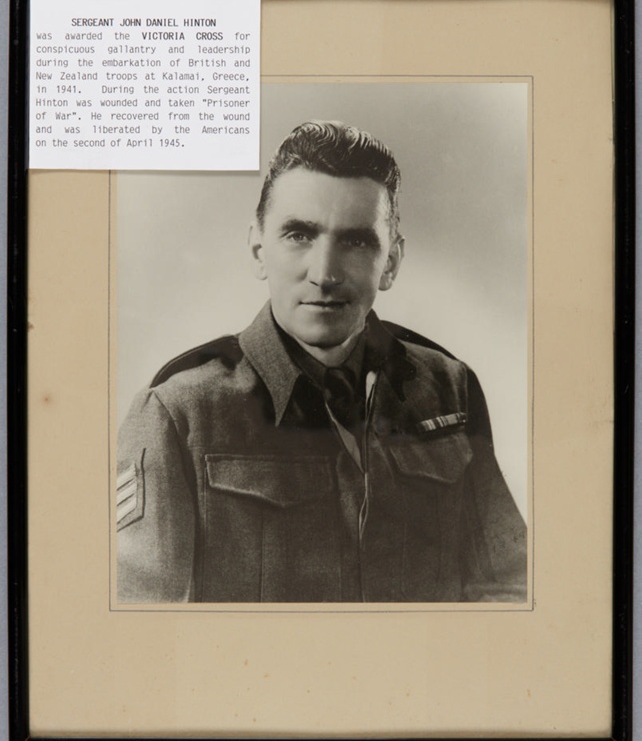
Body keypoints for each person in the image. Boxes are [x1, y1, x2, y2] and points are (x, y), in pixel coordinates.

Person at [116, 120, 527, 604]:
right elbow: (148, 634)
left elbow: (508, 587)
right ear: (258, 249)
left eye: (355, 241)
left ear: (390, 262)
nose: (325, 274)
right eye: (298, 235)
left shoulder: (447, 387)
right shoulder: (177, 414)